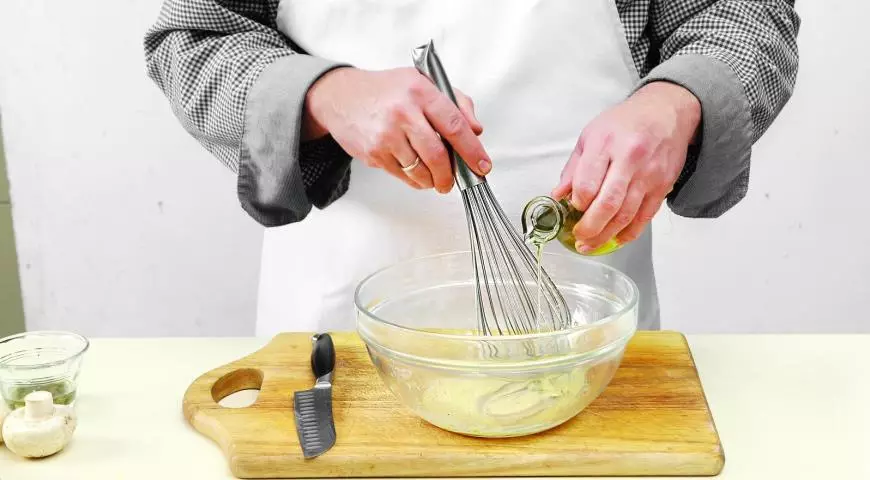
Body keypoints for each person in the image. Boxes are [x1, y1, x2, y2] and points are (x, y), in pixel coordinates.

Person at [143, 1, 800, 336]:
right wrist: (324, 94)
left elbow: (740, 16)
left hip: (585, 340)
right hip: (339, 342)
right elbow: (195, 38)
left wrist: (675, 103)